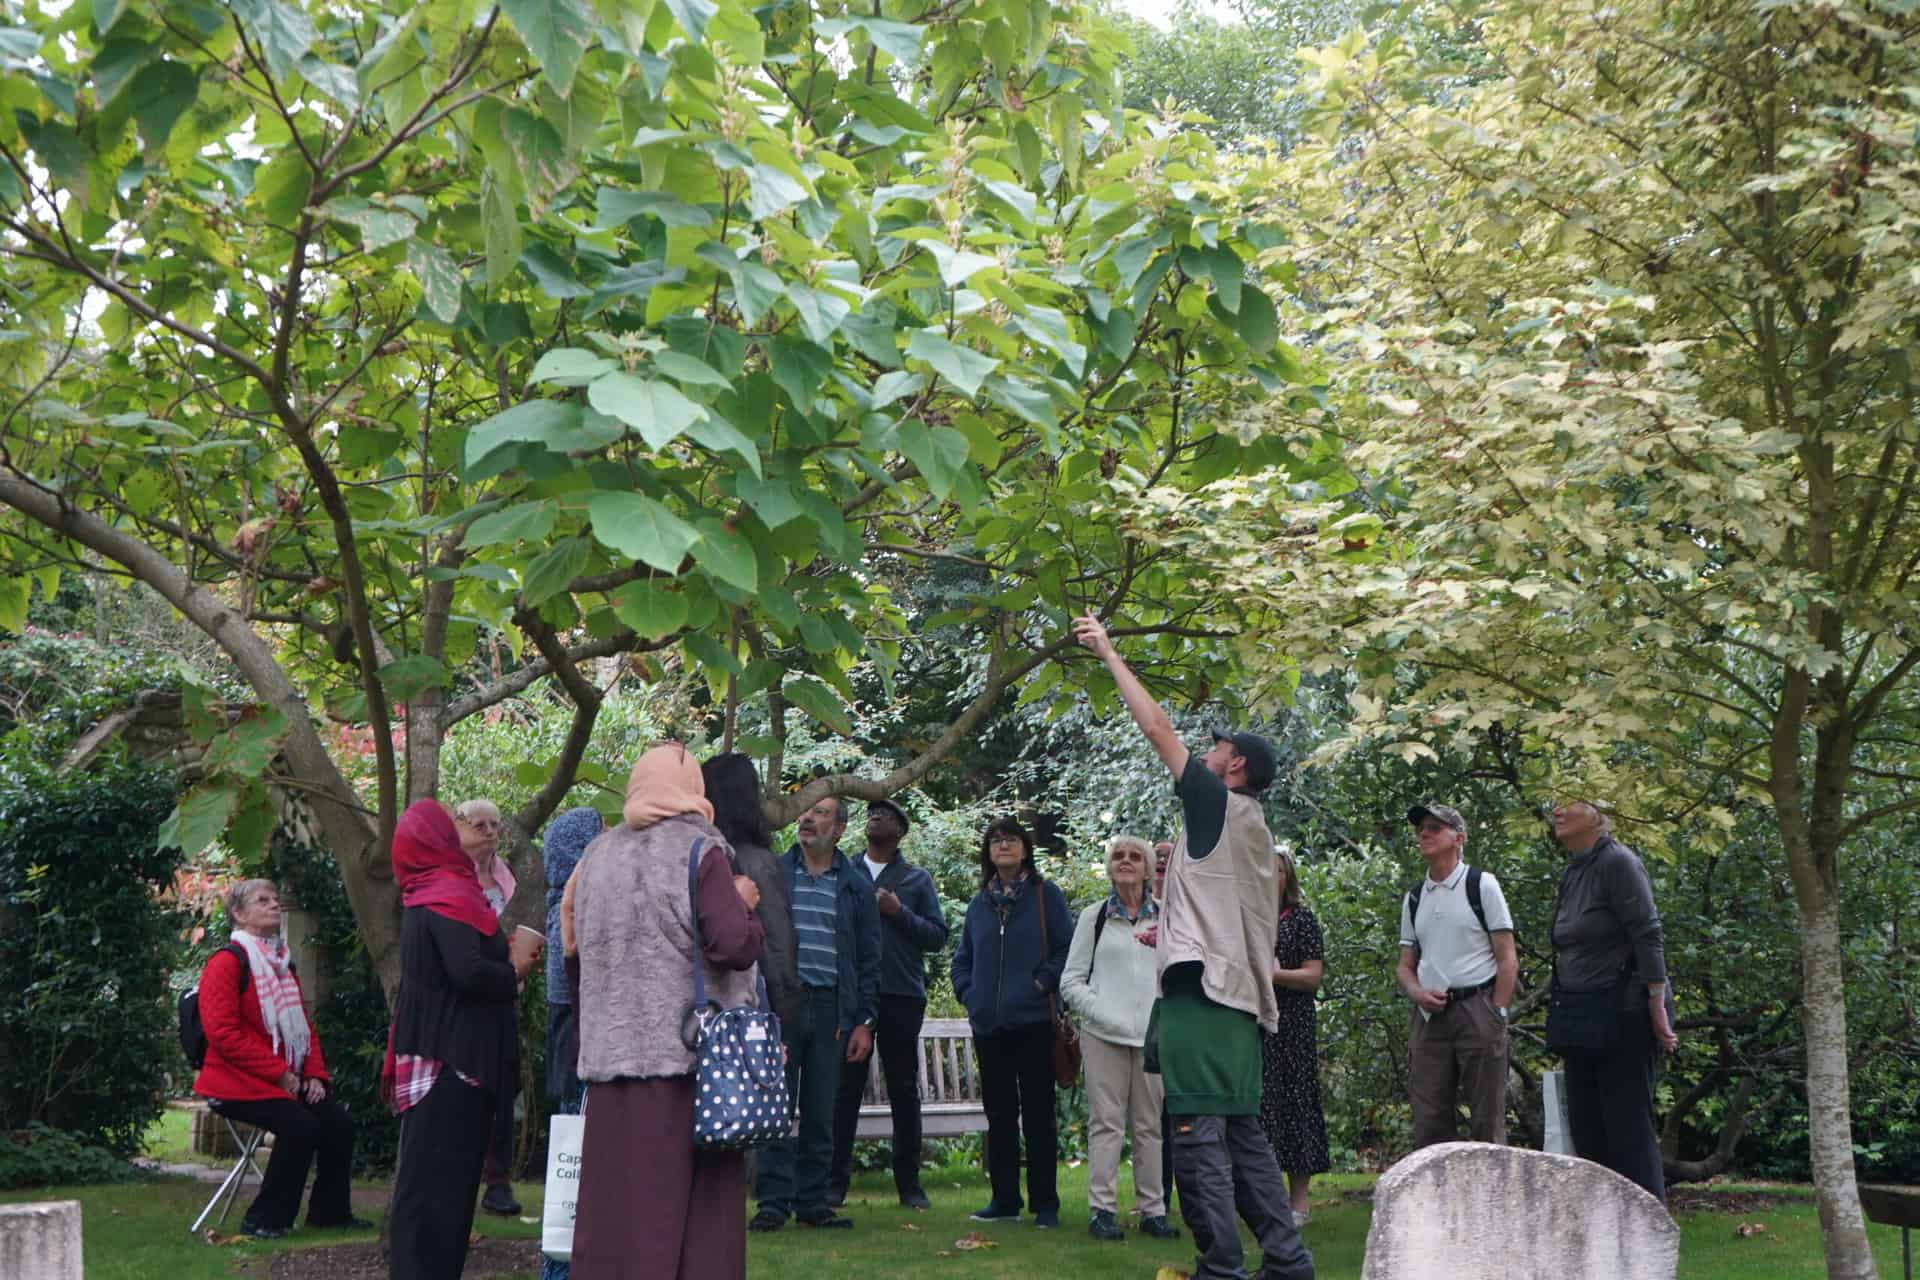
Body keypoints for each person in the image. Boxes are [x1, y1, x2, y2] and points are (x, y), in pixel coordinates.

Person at [1073, 610, 1315, 1280]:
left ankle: (1220, 1268)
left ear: (1233, 765)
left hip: (1201, 1005)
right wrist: (1168, 928)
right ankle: (1288, 1263)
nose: (1204, 753)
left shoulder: (1215, 802)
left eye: (1216, 749)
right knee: (1244, 1137)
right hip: (1237, 1006)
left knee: (1198, 1142)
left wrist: (1109, 652)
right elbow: (1228, 913)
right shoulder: (1256, 828)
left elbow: (1155, 727)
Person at [567, 743, 765, 1279]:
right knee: (699, 1215)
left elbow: (572, 948)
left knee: (618, 1213)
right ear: (692, 790)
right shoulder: (700, 849)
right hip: (687, 1064)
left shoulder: (595, 855)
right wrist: (745, 907)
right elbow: (731, 944)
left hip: (610, 1058)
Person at [385, 799, 541, 1280]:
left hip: (438, 1054)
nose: (460, 831)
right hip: (453, 1061)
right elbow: (466, 971)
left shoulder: (425, 890)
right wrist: (513, 967)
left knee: (429, 1182)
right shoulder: (448, 892)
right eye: (450, 824)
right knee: (443, 1185)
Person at [193, 879, 366, 1239]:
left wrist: (315, 1075)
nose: (274, 905)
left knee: (339, 1124)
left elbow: (304, 1028)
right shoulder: (226, 963)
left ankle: (330, 1214)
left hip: (283, 1080)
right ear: (238, 915)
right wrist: (280, 1074)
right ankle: (264, 1220)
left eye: (275, 899)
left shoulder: (282, 964)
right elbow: (222, 1034)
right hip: (235, 1082)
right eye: (262, 901)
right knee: (300, 1127)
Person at [749, 794, 879, 1232]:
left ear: (839, 828)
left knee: (822, 1109)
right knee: (775, 1105)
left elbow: (869, 960)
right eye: (805, 811)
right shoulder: (776, 875)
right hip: (782, 1005)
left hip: (831, 1010)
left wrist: (864, 1020)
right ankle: (772, 1202)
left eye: (819, 813)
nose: (806, 818)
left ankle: (812, 1203)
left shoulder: (856, 884)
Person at [1548, 799, 1678, 1203]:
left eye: (1570, 801)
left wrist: (1656, 1005)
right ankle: (1604, 1237)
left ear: (1600, 813)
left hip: (1626, 1015)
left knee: (1628, 1130)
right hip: (1582, 1016)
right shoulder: (1575, 868)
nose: (1556, 810)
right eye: (1554, 802)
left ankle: (1649, 1236)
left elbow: (1648, 932)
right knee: (1589, 1133)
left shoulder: (1619, 863)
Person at [950, 816, 1073, 1228]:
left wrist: (1039, 984)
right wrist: (971, 996)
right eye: (996, 840)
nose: (1003, 846)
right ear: (988, 851)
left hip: (1034, 1021)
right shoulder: (979, 902)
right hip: (989, 1024)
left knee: (1039, 1114)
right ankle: (1004, 1200)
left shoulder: (1044, 896)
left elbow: (1065, 951)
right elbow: (962, 958)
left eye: (1011, 840)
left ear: (1025, 849)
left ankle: (1045, 1204)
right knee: (999, 1115)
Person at [827, 796, 948, 1210]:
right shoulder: (846, 871)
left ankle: (909, 1186)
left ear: (900, 830)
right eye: (871, 813)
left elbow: (936, 936)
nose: (875, 817)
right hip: (852, 994)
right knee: (845, 1089)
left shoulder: (916, 879)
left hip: (901, 994)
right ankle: (834, 1183)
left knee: (903, 1089)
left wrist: (899, 912)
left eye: (886, 815)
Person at [1059, 835, 1179, 1242]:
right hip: (1103, 1036)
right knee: (1106, 1125)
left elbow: (1178, 975)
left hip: (1153, 1036)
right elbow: (1071, 982)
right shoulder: (1094, 917)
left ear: (1149, 870)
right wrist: (1103, 1013)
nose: (1125, 862)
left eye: (1135, 857)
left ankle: (1153, 1212)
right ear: (1110, 867)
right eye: (1118, 856)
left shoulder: (1167, 917)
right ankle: (1102, 1212)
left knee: (1150, 1128)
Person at [1395, 802, 1518, 1148]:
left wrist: (1498, 1012)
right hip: (1429, 1016)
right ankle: (1438, 1200)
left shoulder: (1482, 885)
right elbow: (1404, 965)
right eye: (1422, 828)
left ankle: (1492, 1199)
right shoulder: (1415, 897)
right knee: (1429, 1116)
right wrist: (1417, 992)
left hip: (1478, 1006)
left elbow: (1507, 958)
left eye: (1435, 828)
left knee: (1487, 1117)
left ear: (1458, 838)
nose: (1424, 834)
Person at [538, 806, 602, 1280]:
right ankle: (561, 1266)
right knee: (576, 1155)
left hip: (569, 1033)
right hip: (577, 1033)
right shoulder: (572, 906)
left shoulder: (559, 900)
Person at [701, 754, 804, 1033]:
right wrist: (782, 1018)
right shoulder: (752, 861)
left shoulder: (704, 856)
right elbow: (778, 945)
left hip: (718, 1011)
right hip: (751, 1011)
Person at [454, 796, 522, 1216]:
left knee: (504, 1087)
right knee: (463, 1089)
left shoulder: (506, 878)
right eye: (479, 825)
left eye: (495, 825)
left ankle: (498, 1183)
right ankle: (461, 1173)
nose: (490, 833)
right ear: (457, 828)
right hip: (463, 1000)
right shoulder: (450, 879)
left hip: (504, 993)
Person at [1259, 850, 1330, 1226]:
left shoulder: (1301, 919)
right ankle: (1264, 1199)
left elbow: (1313, 976)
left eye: (1278, 869)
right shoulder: (1247, 918)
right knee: (1260, 1108)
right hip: (1253, 1025)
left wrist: (1276, 975)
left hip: (1293, 1025)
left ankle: (1299, 1201)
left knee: (1296, 1103)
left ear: (1288, 878)